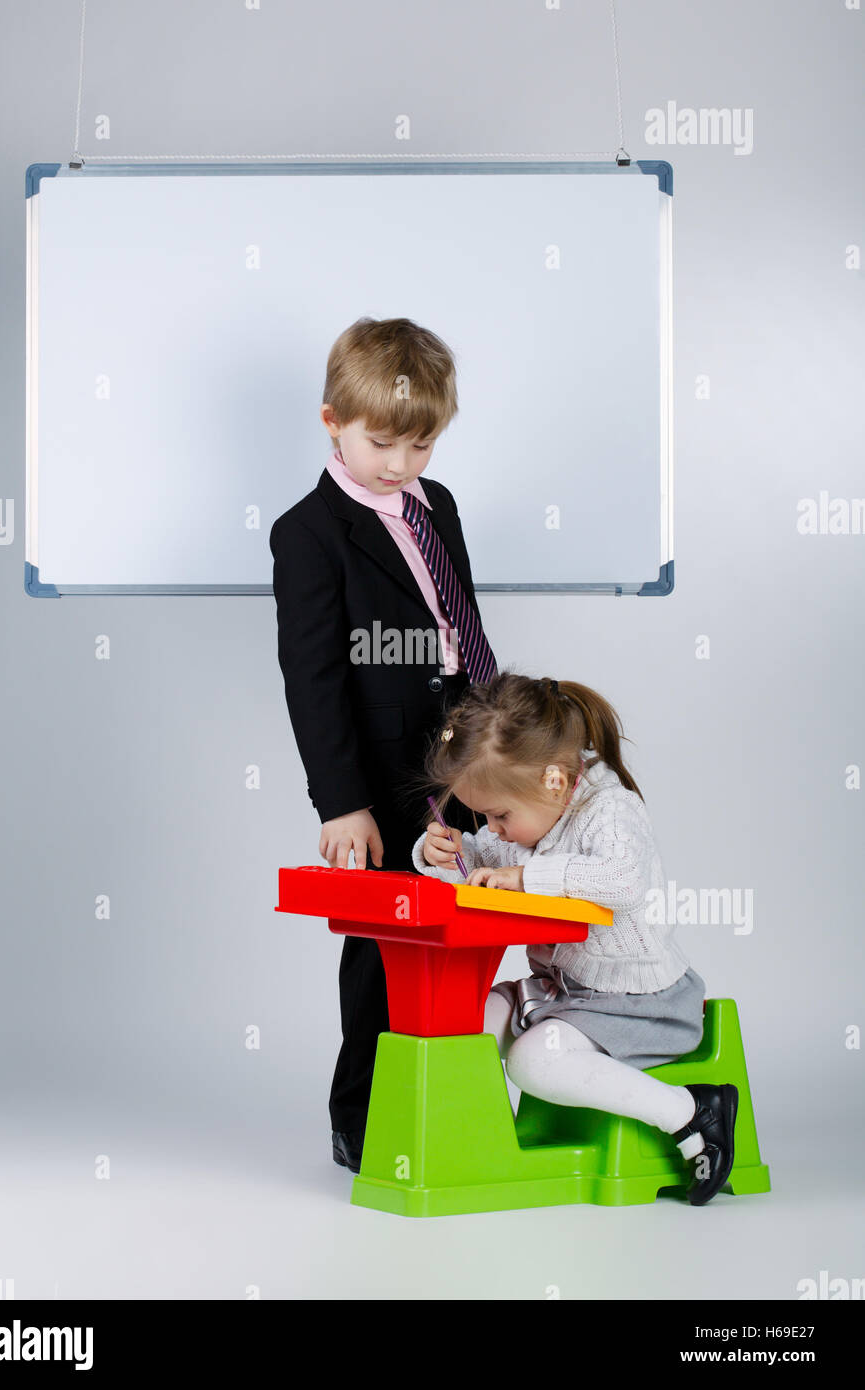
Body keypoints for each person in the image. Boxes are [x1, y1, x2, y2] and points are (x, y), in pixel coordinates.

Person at [269, 316, 497, 1174]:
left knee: (470, 925)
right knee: (386, 946)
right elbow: (314, 678)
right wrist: (341, 801)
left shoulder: (439, 507)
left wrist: (495, 741)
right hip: (381, 771)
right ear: (332, 421)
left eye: (420, 446)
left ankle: (454, 1093)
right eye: (381, 444)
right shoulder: (308, 533)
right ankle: (361, 1116)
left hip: (462, 748)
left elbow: (462, 626)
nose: (399, 466)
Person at [410, 670, 738, 1205]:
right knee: (468, 1016)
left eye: (498, 815)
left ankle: (691, 1110)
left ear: (554, 779)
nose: (492, 828)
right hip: (565, 994)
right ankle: (473, 1152)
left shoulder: (609, 811)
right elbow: (484, 863)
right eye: (483, 816)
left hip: (639, 1003)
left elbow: (624, 883)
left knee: (534, 1061)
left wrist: (529, 877)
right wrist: (441, 854)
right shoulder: (533, 819)